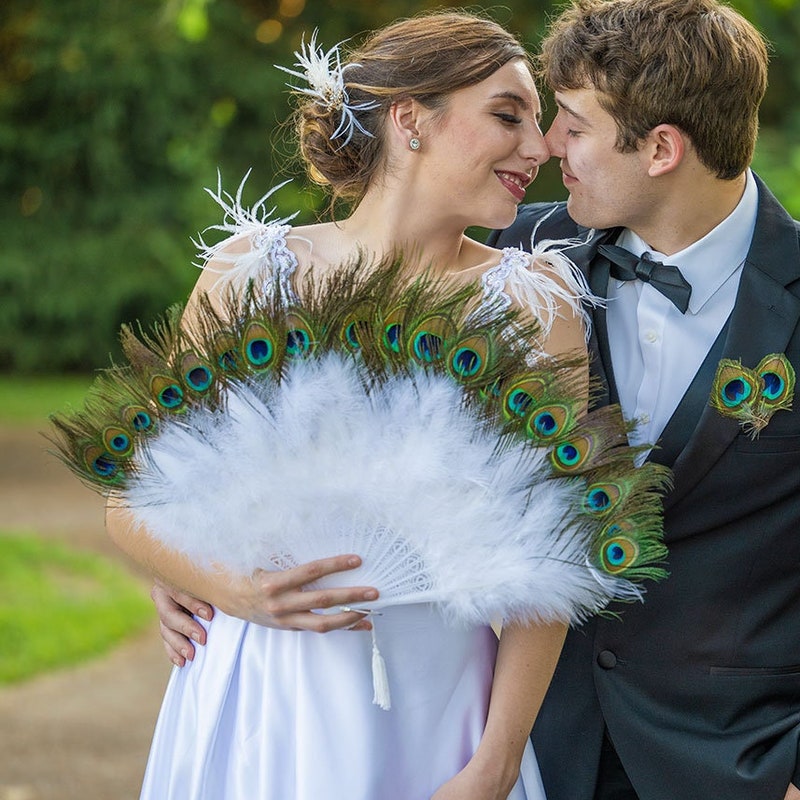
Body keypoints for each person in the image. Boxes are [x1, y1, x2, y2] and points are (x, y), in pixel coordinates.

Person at [102, 11, 651, 800]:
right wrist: (221, 585)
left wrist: (494, 765)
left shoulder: (533, 305)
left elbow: (554, 560)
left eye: (540, 125)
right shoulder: (251, 278)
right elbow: (129, 494)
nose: (538, 149)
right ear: (409, 120)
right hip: (256, 695)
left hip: (442, 713)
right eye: (508, 117)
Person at [486, 1, 800, 799]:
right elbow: (322, 366)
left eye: (574, 124)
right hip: (528, 754)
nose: (548, 145)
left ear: (662, 148)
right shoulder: (502, 258)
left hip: (739, 767)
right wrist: (202, 554)